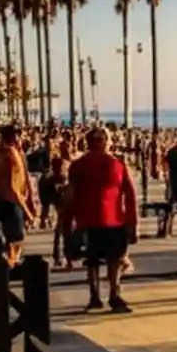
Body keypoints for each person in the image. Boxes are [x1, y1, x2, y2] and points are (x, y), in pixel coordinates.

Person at [66, 127, 138, 313]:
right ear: (108, 141)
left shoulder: (78, 165)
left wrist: (68, 223)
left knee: (92, 260)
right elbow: (130, 195)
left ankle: (95, 296)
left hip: (88, 220)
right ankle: (113, 294)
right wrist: (133, 222)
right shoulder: (118, 164)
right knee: (113, 259)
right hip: (112, 220)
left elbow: (70, 196)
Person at [0, 124, 36, 267]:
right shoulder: (10, 156)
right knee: (15, 242)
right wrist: (28, 212)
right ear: (15, 137)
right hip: (11, 204)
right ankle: (8, 268)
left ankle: (2, 268)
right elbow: (12, 189)